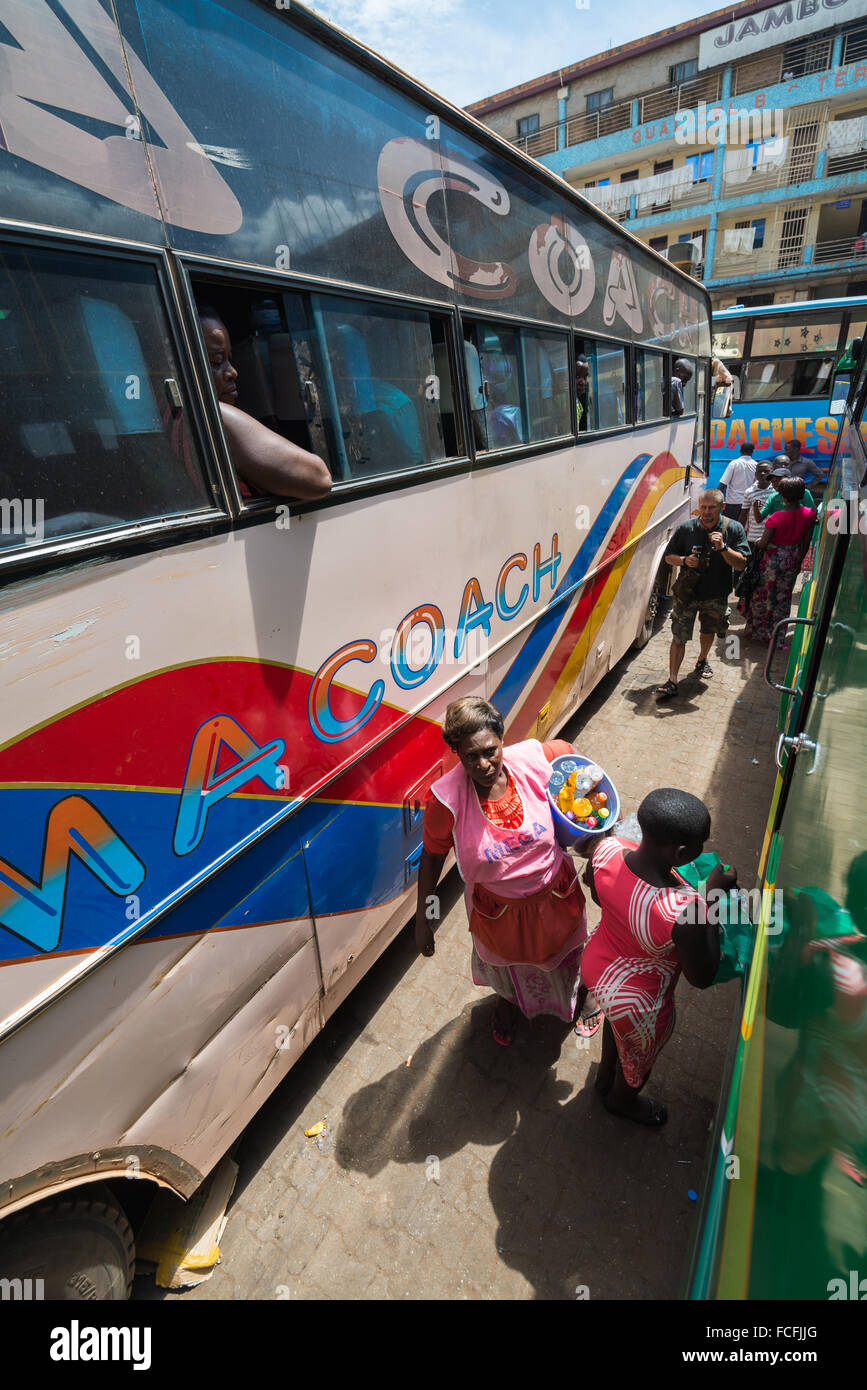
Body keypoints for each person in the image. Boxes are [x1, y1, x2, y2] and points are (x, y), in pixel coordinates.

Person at [415, 697, 601, 1045]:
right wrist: (425, 920)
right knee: (509, 969)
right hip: (498, 916)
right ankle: (509, 1003)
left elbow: (574, 761)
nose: (484, 764)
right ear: (457, 752)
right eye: (472, 756)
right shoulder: (445, 801)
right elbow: (431, 859)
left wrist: (595, 822)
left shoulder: (534, 758)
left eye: (491, 750)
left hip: (556, 900)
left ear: (502, 739)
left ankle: (588, 994)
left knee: (570, 956)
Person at [580, 788, 737, 1127]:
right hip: (640, 1002)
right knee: (639, 1057)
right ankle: (621, 1102)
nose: (703, 848)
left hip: (598, 967)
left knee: (617, 1024)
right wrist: (711, 898)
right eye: (701, 844)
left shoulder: (606, 849)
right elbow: (703, 976)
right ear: (682, 852)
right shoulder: (684, 911)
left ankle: (604, 1078)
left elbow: (596, 893)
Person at [197, 306, 332, 500]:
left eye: (230, 359)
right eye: (218, 361)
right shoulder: (213, 414)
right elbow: (319, 479)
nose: (233, 372)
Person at [655, 489, 749, 701]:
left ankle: (702, 660)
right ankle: (672, 680)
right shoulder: (686, 529)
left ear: (722, 507)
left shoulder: (733, 529)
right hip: (687, 593)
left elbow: (741, 563)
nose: (706, 512)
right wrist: (684, 560)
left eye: (711, 507)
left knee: (709, 630)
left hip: (715, 593)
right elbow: (669, 557)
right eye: (703, 507)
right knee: (679, 635)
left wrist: (723, 547)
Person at [742, 477, 817, 643]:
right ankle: (778, 635)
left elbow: (762, 543)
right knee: (783, 598)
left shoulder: (776, 517)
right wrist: (798, 562)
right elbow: (805, 542)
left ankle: (760, 633)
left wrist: (756, 542)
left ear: (783, 496)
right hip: (793, 558)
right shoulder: (809, 514)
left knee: (763, 595)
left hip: (772, 561)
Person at [738, 459, 775, 542]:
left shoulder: (777, 490)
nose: (762, 474)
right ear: (755, 474)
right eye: (759, 471)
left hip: (773, 536)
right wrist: (739, 534)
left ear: (772, 473)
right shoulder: (749, 492)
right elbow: (743, 514)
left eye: (766, 471)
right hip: (754, 537)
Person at [719, 441, 757, 520]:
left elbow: (723, 484)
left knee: (729, 528)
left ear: (740, 451)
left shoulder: (734, 463)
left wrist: (714, 498)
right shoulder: (756, 465)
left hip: (733, 503)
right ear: (752, 452)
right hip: (748, 504)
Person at [575, 355, 592, 432]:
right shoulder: (563, 404)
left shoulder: (578, 403)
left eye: (585, 377)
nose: (583, 382)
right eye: (577, 376)